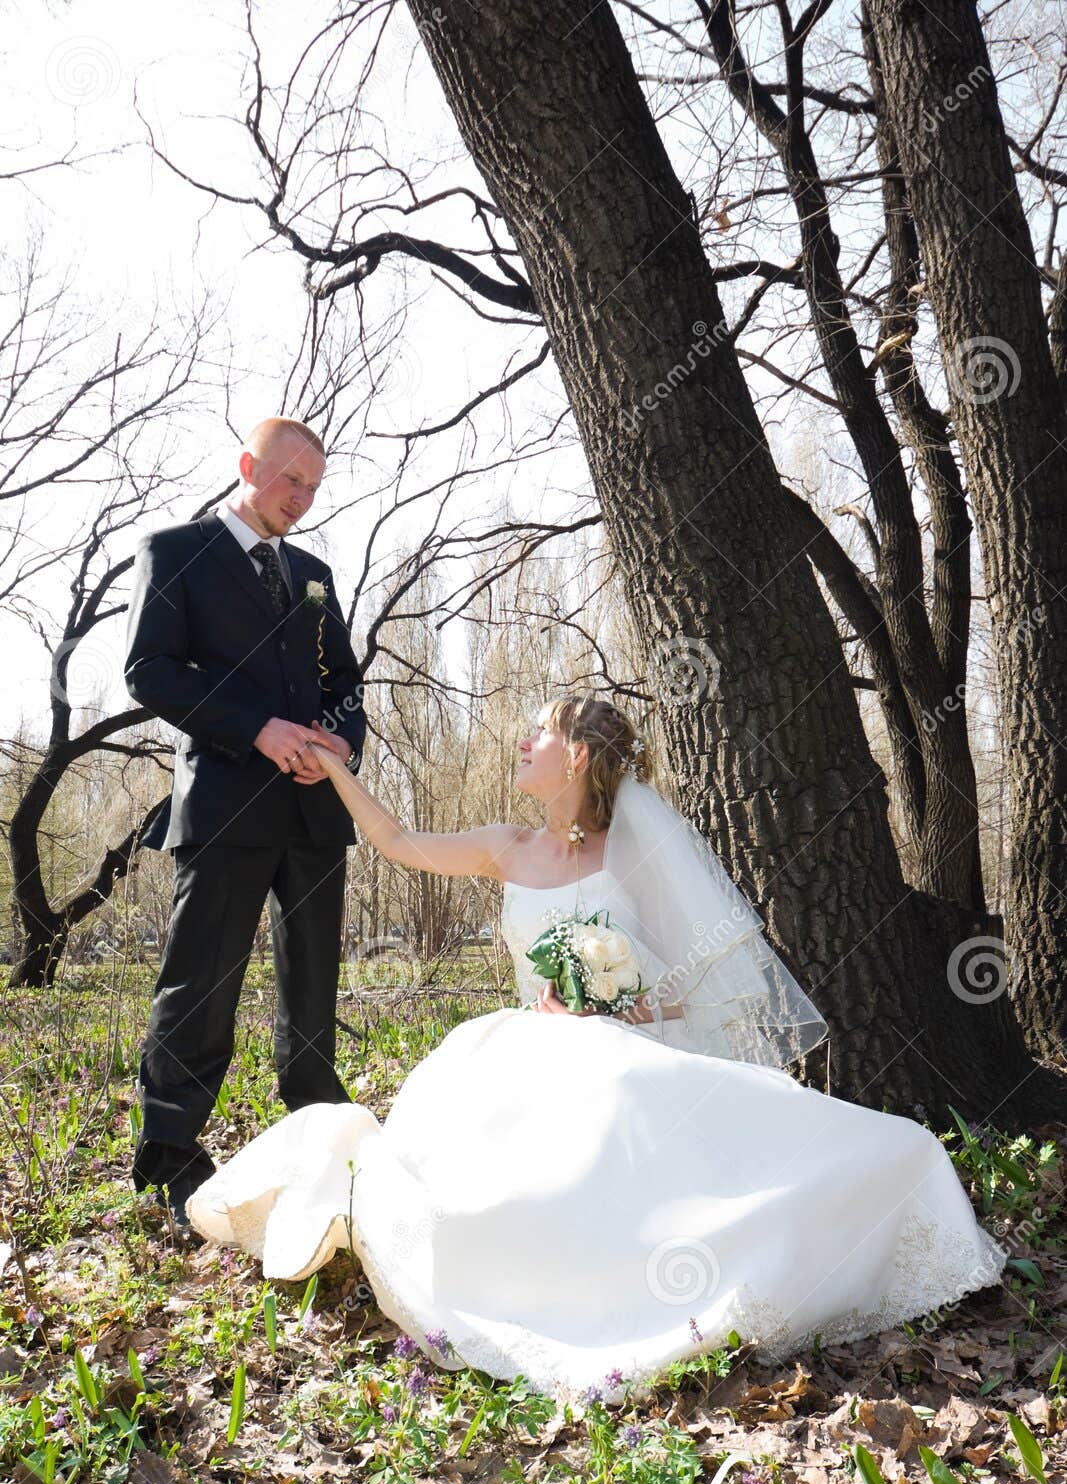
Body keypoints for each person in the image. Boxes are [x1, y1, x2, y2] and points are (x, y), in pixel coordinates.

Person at [186, 694, 1007, 1404]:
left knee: (808, 1142)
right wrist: (333, 766)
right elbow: (398, 840)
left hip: (625, 1047)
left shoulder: (632, 855)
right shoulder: (508, 845)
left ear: (576, 755)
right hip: (523, 1052)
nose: (520, 742)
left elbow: (699, 982)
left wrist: (616, 1005)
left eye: (536, 732)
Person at [124, 417, 367, 1226]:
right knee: (202, 982)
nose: (300, 499)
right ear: (247, 467)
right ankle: (171, 1155)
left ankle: (320, 1136)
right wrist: (255, 728)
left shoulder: (313, 573)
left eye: (312, 487)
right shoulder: (176, 551)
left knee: (311, 986)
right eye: (289, 480)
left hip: (315, 808)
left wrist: (338, 739)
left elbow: (347, 681)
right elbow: (148, 669)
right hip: (227, 803)